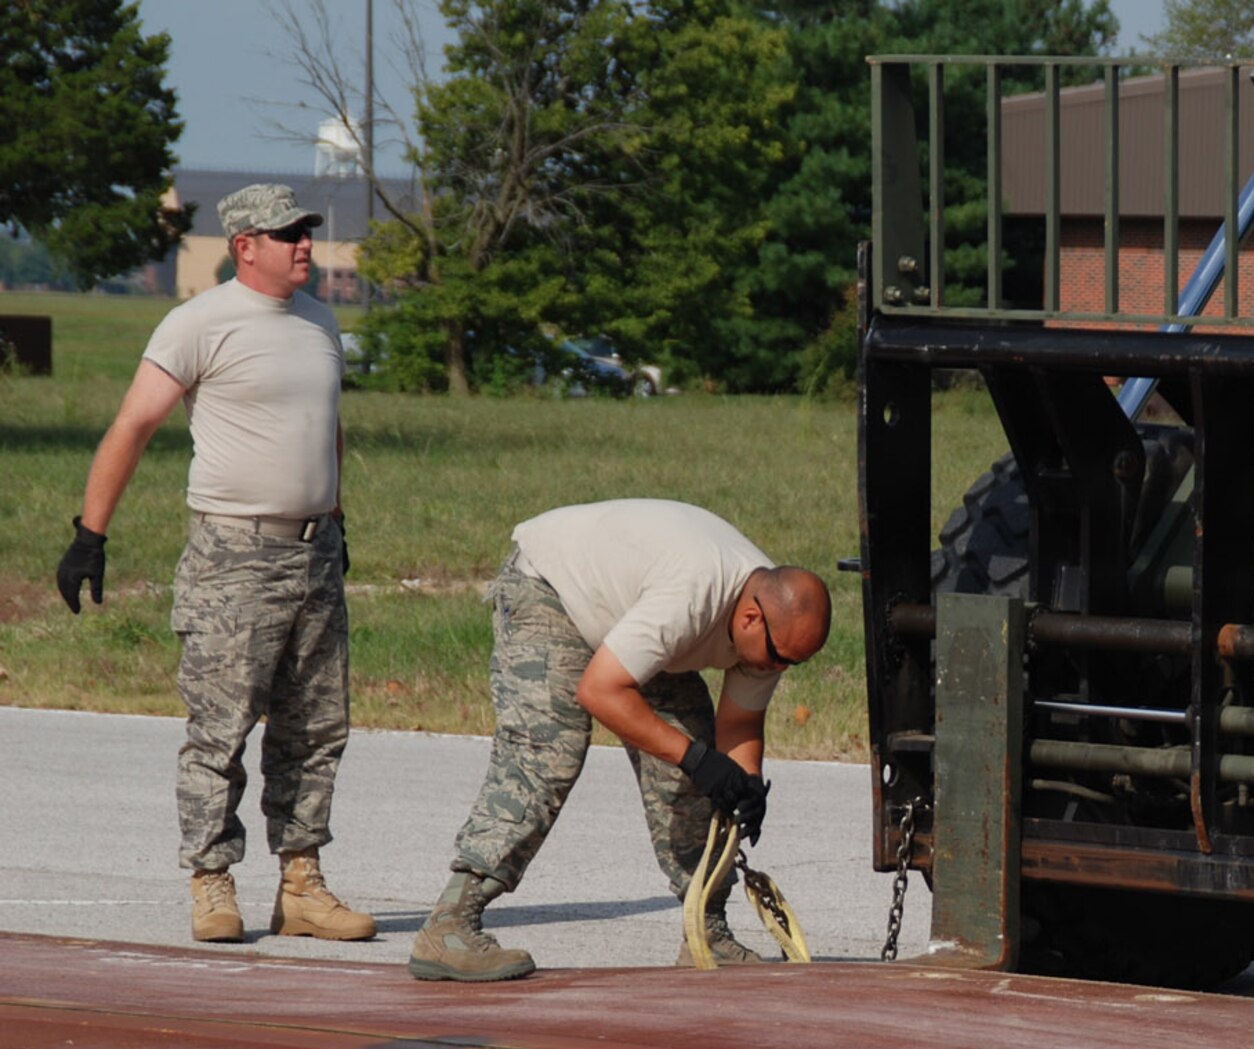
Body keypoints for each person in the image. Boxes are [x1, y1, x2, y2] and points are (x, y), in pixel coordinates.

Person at [55, 183, 374, 946]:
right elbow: (133, 424)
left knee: (316, 728)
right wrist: (89, 534)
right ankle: (211, 879)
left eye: (306, 231)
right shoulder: (197, 324)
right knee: (220, 730)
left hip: (314, 555)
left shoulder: (320, 322)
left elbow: (325, 426)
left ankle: (301, 882)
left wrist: (334, 515)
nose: (305, 243)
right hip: (234, 555)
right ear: (244, 246)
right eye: (287, 233)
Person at [409, 499, 831, 982]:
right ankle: (450, 922)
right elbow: (599, 691)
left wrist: (745, 786)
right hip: (552, 591)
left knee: (695, 750)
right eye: (779, 659)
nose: (779, 670)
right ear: (752, 618)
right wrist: (696, 760)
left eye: (793, 664)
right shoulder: (693, 594)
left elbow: (739, 725)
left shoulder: (775, 629)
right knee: (549, 750)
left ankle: (706, 931)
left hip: (626, 613)